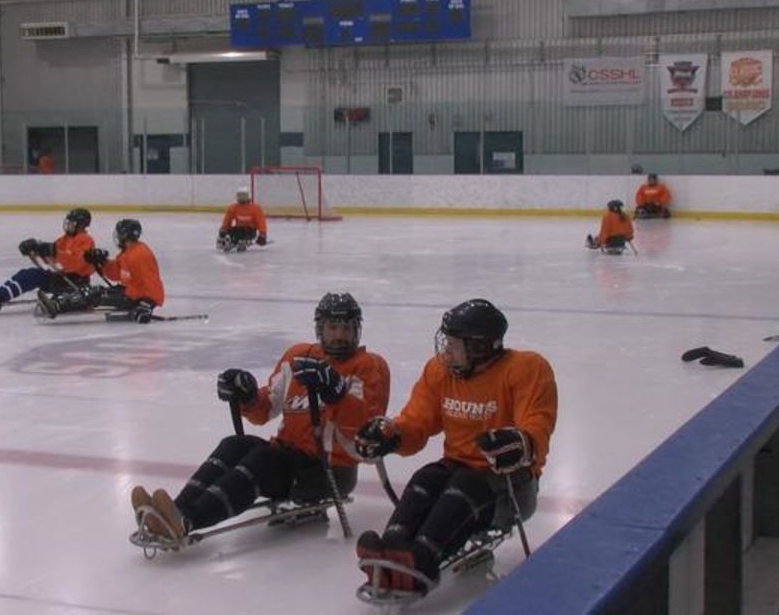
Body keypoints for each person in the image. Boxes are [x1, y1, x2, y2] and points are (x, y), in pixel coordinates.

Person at [130, 293, 390, 544]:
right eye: (332, 327)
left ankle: (188, 520)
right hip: (289, 457)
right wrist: (247, 396)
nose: (340, 336)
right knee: (234, 444)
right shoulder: (298, 356)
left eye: (346, 328)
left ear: (357, 330)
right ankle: (175, 511)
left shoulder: (368, 365)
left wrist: (337, 394)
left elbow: (366, 432)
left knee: (264, 459)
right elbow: (265, 409)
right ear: (319, 329)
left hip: (330, 471)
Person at [352, 299, 558, 595]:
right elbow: (417, 421)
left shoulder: (526, 369)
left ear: (480, 347)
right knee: (428, 477)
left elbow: (538, 423)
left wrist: (521, 442)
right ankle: (392, 548)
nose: (445, 350)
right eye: (445, 341)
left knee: (465, 484)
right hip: (458, 470)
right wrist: (391, 434)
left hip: (511, 486)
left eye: (454, 344)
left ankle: (420, 560)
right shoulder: (440, 371)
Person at [37, 218, 165, 323]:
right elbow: (116, 274)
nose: (118, 237)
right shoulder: (128, 252)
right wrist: (101, 262)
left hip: (134, 297)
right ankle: (58, 303)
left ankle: (57, 306)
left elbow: (153, 283)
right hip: (128, 292)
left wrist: (146, 305)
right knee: (93, 291)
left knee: (94, 293)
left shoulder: (140, 254)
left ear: (126, 235)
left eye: (119, 233)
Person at [0, 208, 95, 309]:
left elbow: (76, 262)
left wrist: (52, 251)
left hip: (75, 281)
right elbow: (51, 256)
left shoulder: (85, 240)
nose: (68, 224)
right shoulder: (65, 238)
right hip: (62, 277)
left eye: (72, 223)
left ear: (80, 225)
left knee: (32, 275)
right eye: (68, 221)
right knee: (27, 273)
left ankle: (0, 296)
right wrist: (35, 250)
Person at [217, 186, 267, 252]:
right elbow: (227, 220)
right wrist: (224, 228)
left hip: (250, 231)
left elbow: (261, 222)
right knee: (231, 232)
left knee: (239, 234)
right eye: (239, 195)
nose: (241, 197)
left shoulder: (255, 208)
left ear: (247, 196)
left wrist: (262, 234)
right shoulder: (233, 207)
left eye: (243, 195)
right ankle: (229, 241)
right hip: (238, 229)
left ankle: (237, 242)